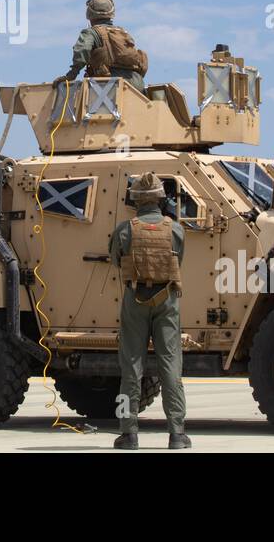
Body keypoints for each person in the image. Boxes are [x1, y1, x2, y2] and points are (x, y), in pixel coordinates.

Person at [109, 172, 189, 450]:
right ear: (161, 198)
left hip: (135, 299)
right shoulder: (176, 229)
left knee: (131, 365)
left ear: (136, 199)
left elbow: (116, 260)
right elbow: (180, 258)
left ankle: (128, 433)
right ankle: (177, 433)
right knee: (170, 364)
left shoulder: (124, 229)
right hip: (167, 300)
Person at [54, 0, 148, 93]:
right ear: (111, 13)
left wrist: (71, 75)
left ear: (89, 14)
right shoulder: (122, 32)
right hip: (136, 85)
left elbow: (83, 50)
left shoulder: (91, 32)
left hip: (109, 86)